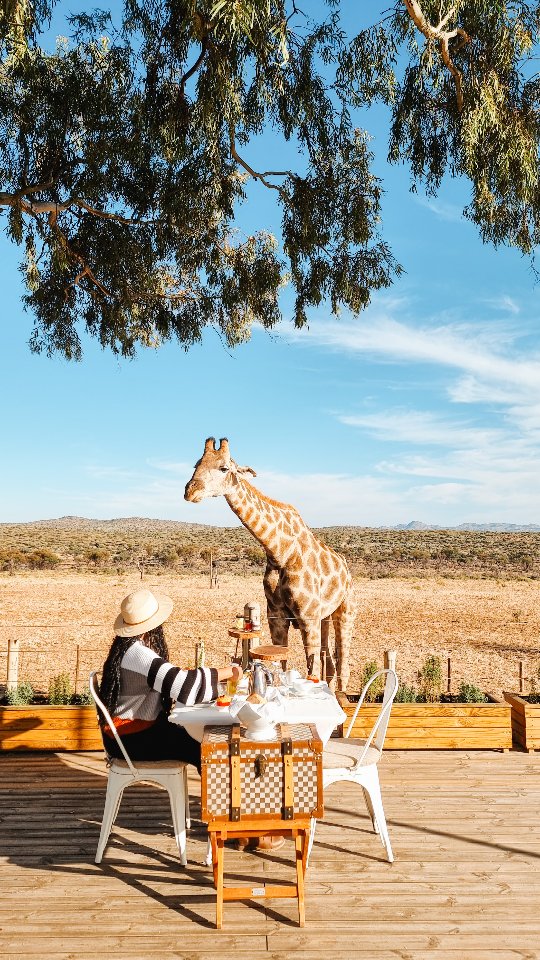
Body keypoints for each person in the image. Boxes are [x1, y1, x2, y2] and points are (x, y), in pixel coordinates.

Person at [98, 588, 243, 773]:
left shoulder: (127, 647)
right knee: (209, 752)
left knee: (198, 739)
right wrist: (230, 671)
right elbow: (184, 686)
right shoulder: (137, 653)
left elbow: (170, 679)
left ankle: (218, 799)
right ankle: (221, 800)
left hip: (125, 734)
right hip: (131, 739)